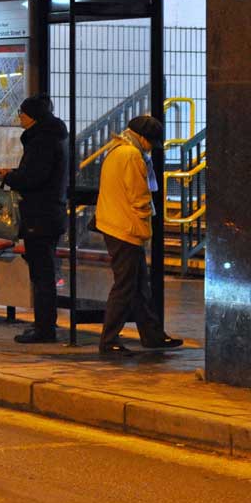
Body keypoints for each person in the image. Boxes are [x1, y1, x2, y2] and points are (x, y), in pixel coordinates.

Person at [94, 114, 182, 355]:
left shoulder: (117, 150)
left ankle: (152, 335)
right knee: (125, 286)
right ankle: (109, 339)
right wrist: (146, 219)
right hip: (125, 228)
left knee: (139, 285)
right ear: (142, 137)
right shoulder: (132, 155)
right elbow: (139, 194)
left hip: (117, 224)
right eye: (151, 142)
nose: (152, 147)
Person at [0, 94, 68, 343]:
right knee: (41, 272)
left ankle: (44, 329)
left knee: (42, 274)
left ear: (34, 116)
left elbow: (34, 177)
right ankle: (43, 325)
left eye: (23, 113)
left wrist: (9, 177)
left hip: (41, 215)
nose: (20, 117)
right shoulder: (50, 137)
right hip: (48, 214)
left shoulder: (43, 141)